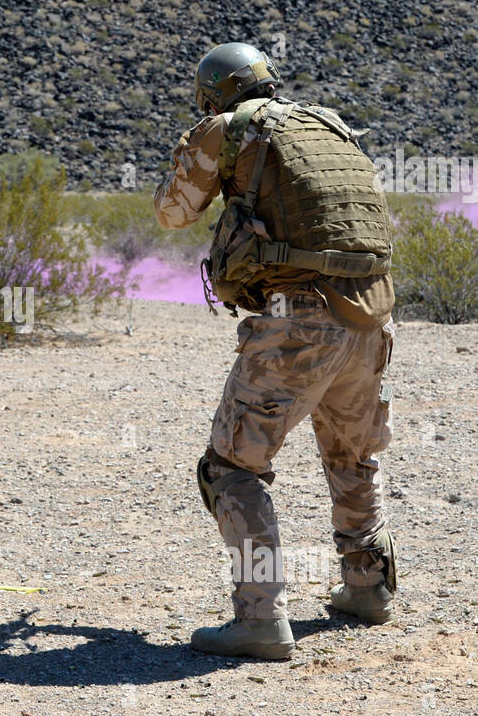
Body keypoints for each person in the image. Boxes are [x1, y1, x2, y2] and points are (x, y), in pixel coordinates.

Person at [154, 42, 398, 660]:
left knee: (231, 466)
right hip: (369, 309)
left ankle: (260, 619)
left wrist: (198, 152)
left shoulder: (229, 128)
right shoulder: (327, 123)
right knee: (350, 454)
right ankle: (368, 588)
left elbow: (171, 213)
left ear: (214, 93)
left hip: (299, 315)